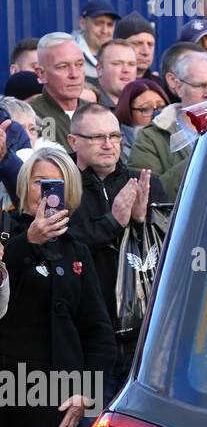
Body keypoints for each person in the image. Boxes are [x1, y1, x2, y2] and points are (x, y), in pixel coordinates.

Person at [0, 146, 115, 427]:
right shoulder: (5, 232)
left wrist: (86, 392)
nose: (46, 192)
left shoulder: (77, 252)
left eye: (56, 185)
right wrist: (25, 243)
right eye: (38, 182)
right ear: (24, 186)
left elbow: (99, 332)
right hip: (5, 381)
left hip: (47, 392)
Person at [67, 104, 164, 400]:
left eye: (114, 136)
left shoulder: (144, 182)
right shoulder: (62, 185)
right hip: (86, 332)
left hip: (142, 332)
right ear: (73, 141)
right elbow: (63, 245)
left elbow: (163, 244)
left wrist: (139, 221)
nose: (108, 145)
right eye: (97, 137)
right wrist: (113, 222)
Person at [128, 51, 207, 200]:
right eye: (200, 85)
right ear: (178, 87)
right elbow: (146, 196)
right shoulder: (151, 138)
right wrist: (203, 155)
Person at [30, 32, 92, 154]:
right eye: (63, 67)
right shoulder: (30, 117)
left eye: (79, 64)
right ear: (41, 74)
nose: (74, 74)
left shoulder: (97, 113)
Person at [113, 78, 169, 162]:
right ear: (127, 111)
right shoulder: (116, 147)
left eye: (161, 107)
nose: (156, 115)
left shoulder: (178, 136)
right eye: (145, 109)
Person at [112, 12, 161, 86]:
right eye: (137, 44)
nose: (146, 52)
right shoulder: (106, 85)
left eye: (150, 44)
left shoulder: (161, 87)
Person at [73, 0, 120, 73]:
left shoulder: (121, 55)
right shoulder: (69, 55)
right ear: (82, 23)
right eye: (98, 23)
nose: (105, 31)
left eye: (110, 25)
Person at [88, 40, 138, 110]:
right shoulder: (86, 103)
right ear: (99, 69)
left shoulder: (143, 104)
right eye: (117, 63)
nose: (126, 70)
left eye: (131, 64)